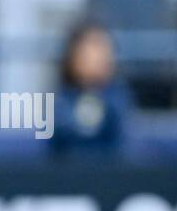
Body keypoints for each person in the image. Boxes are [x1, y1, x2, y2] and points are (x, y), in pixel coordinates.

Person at [51, 23, 131, 159]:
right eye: (89, 51)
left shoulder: (119, 100)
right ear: (73, 56)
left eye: (103, 50)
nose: (96, 58)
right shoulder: (61, 103)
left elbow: (121, 146)